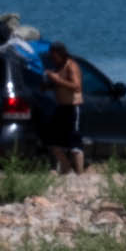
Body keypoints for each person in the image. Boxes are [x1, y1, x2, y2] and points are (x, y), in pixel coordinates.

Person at [44, 43, 86, 173]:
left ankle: (80, 173)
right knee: (53, 142)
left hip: (73, 107)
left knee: (74, 142)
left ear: (61, 54)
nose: (52, 59)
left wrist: (57, 80)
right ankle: (66, 166)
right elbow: (59, 85)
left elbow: (76, 86)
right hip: (61, 107)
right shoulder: (57, 67)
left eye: (54, 56)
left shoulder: (71, 66)